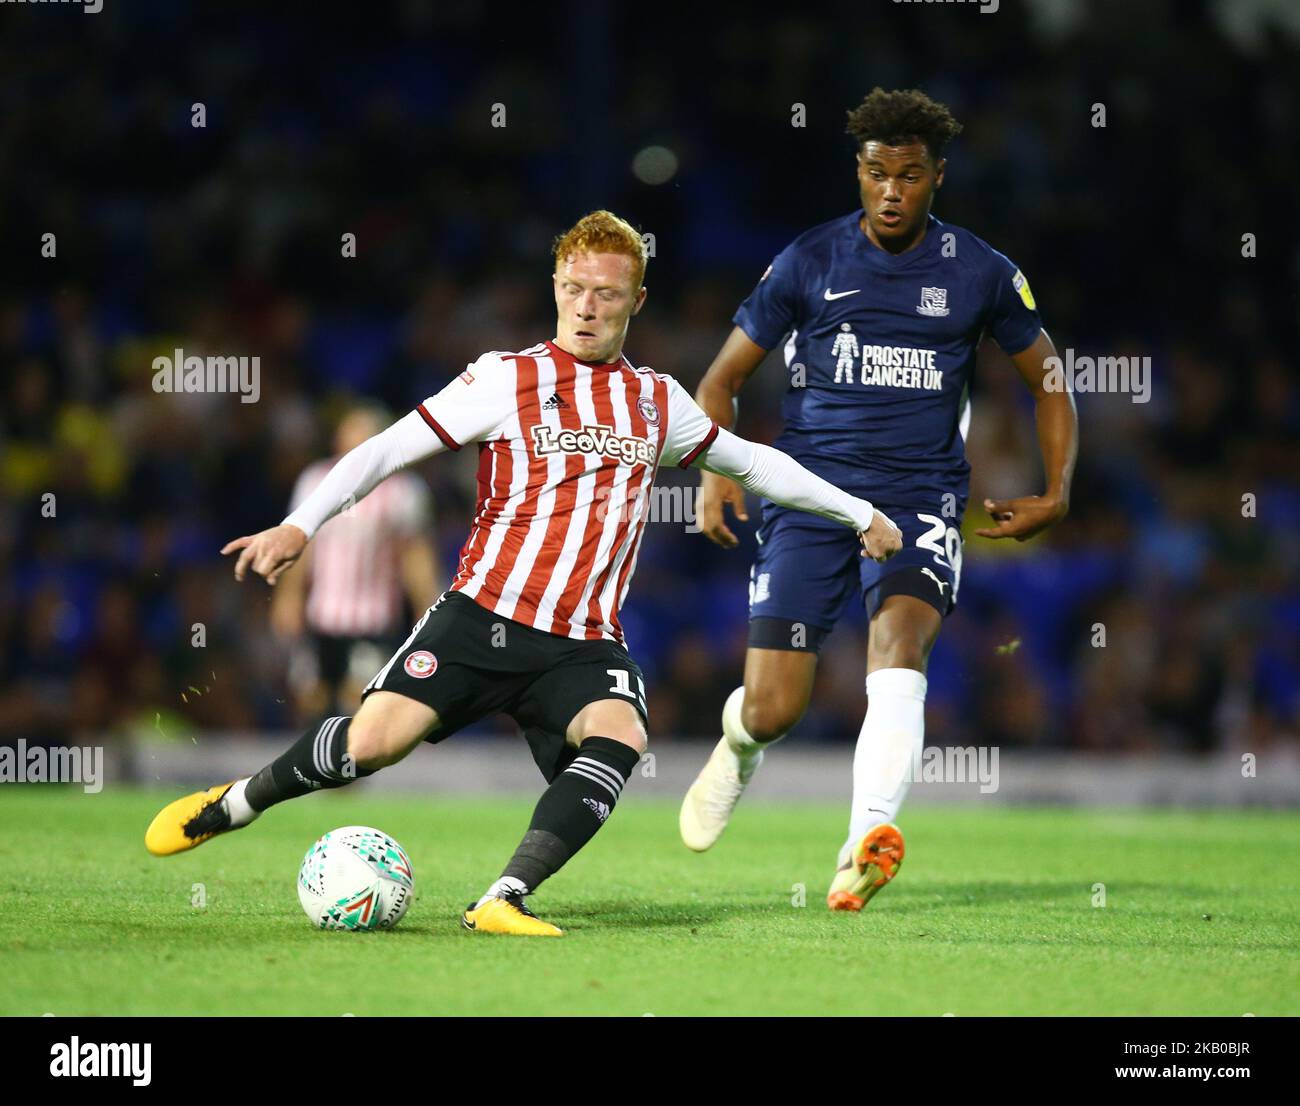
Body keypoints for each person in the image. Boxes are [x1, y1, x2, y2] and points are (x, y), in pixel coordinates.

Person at [144, 209, 903, 937]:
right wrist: (300, 524)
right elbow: (388, 449)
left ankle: (504, 897)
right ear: (555, 287)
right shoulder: (504, 379)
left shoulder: (656, 402)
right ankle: (235, 803)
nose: (587, 307)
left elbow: (756, 464)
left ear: (637, 300)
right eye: (574, 288)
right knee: (369, 747)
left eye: (606, 293)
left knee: (621, 732)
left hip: (581, 642)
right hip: (481, 615)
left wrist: (858, 512)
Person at [678, 88, 1078, 911]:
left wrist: (1058, 490)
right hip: (809, 493)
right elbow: (720, 380)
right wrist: (716, 468)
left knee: (899, 646)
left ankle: (862, 844)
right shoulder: (809, 261)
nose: (892, 191)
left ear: (938, 177)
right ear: (857, 173)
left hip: (919, 496)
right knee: (774, 708)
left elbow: (1050, 382)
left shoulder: (981, 271)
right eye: (876, 174)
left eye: (909, 175)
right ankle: (741, 743)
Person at [271, 405, 438, 720]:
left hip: (373, 619)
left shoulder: (403, 491)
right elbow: (302, 543)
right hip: (321, 616)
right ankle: (314, 751)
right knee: (311, 698)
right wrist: (288, 596)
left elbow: (414, 553)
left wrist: (425, 605)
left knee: (359, 700)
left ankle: (351, 752)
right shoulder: (315, 480)